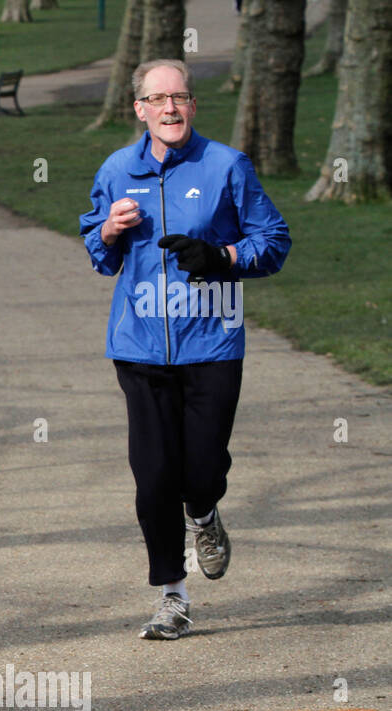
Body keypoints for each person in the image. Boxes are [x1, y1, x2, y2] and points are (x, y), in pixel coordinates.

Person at [79, 60, 289, 640]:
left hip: (213, 344)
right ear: (139, 108)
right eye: (157, 99)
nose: (170, 108)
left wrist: (222, 258)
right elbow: (98, 252)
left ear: (192, 106)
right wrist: (109, 232)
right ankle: (172, 596)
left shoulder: (227, 166)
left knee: (200, 472)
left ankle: (206, 512)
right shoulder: (117, 169)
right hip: (139, 344)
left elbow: (274, 240)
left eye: (180, 97)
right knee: (152, 480)